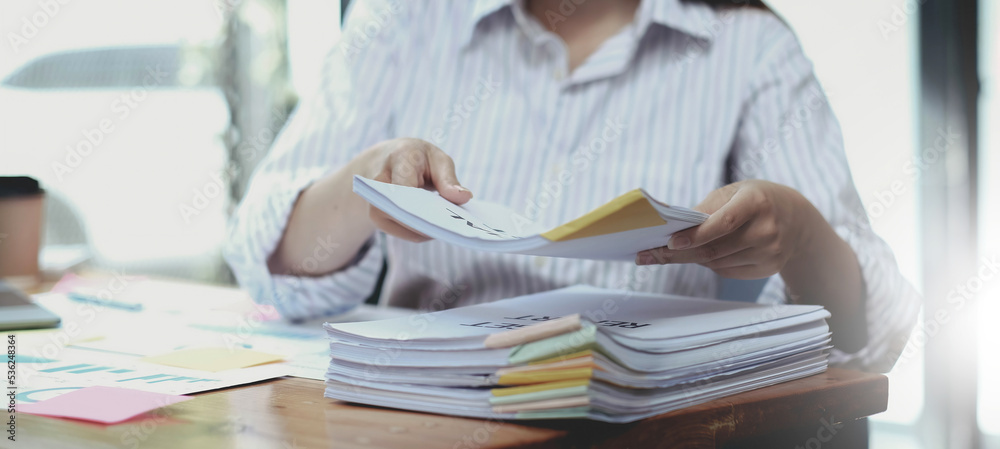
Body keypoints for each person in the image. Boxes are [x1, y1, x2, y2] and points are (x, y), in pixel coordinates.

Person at [224, 0, 919, 372]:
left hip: (641, 424)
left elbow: (872, 330)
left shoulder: (747, 45)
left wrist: (798, 234)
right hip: (424, 416)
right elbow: (267, 262)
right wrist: (363, 180)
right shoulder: (402, 19)